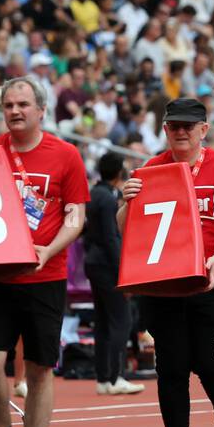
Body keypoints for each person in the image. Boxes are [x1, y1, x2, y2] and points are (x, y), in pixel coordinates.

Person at [119, 98, 214, 427]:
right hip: (162, 287)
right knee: (171, 368)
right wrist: (126, 203)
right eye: (174, 125)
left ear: (203, 130)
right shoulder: (149, 170)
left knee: (213, 365)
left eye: (188, 126)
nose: (181, 132)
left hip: (211, 282)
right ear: (164, 129)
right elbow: (124, 230)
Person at [0, 77, 90, 427]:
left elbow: (76, 216)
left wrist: (48, 249)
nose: (15, 111)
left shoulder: (66, 155)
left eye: (23, 104)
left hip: (45, 276)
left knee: (40, 369)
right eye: (8, 105)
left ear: (41, 110)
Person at [84, 151, 145, 395]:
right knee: (122, 320)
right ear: (119, 172)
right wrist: (125, 271)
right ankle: (116, 376)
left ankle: (103, 379)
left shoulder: (93, 194)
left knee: (102, 321)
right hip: (108, 265)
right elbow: (111, 237)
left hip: (93, 263)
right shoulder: (109, 198)